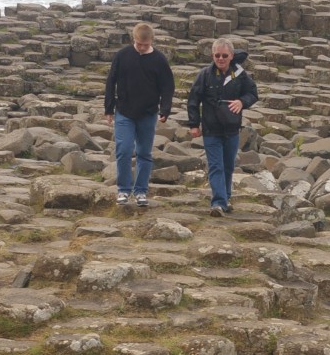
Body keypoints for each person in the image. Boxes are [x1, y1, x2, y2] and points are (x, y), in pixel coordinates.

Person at [104, 22, 175, 207]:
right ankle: (123, 190)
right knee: (124, 150)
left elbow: (167, 87)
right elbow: (111, 81)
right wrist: (108, 108)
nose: (142, 48)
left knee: (144, 153)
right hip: (124, 112)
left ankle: (141, 191)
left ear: (151, 40)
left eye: (145, 44)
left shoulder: (159, 60)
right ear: (133, 39)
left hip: (148, 113)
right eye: (138, 44)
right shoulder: (122, 56)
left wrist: (165, 109)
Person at [186, 38, 258, 217]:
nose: (220, 59)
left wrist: (242, 102)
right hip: (211, 130)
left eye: (224, 55)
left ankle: (225, 199)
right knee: (216, 166)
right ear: (212, 55)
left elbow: (253, 93)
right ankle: (217, 203)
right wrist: (194, 124)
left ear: (231, 56)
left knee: (228, 166)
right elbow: (193, 100)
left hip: (232, 130)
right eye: (217, 55)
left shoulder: (240, 74)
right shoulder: (204, 75)